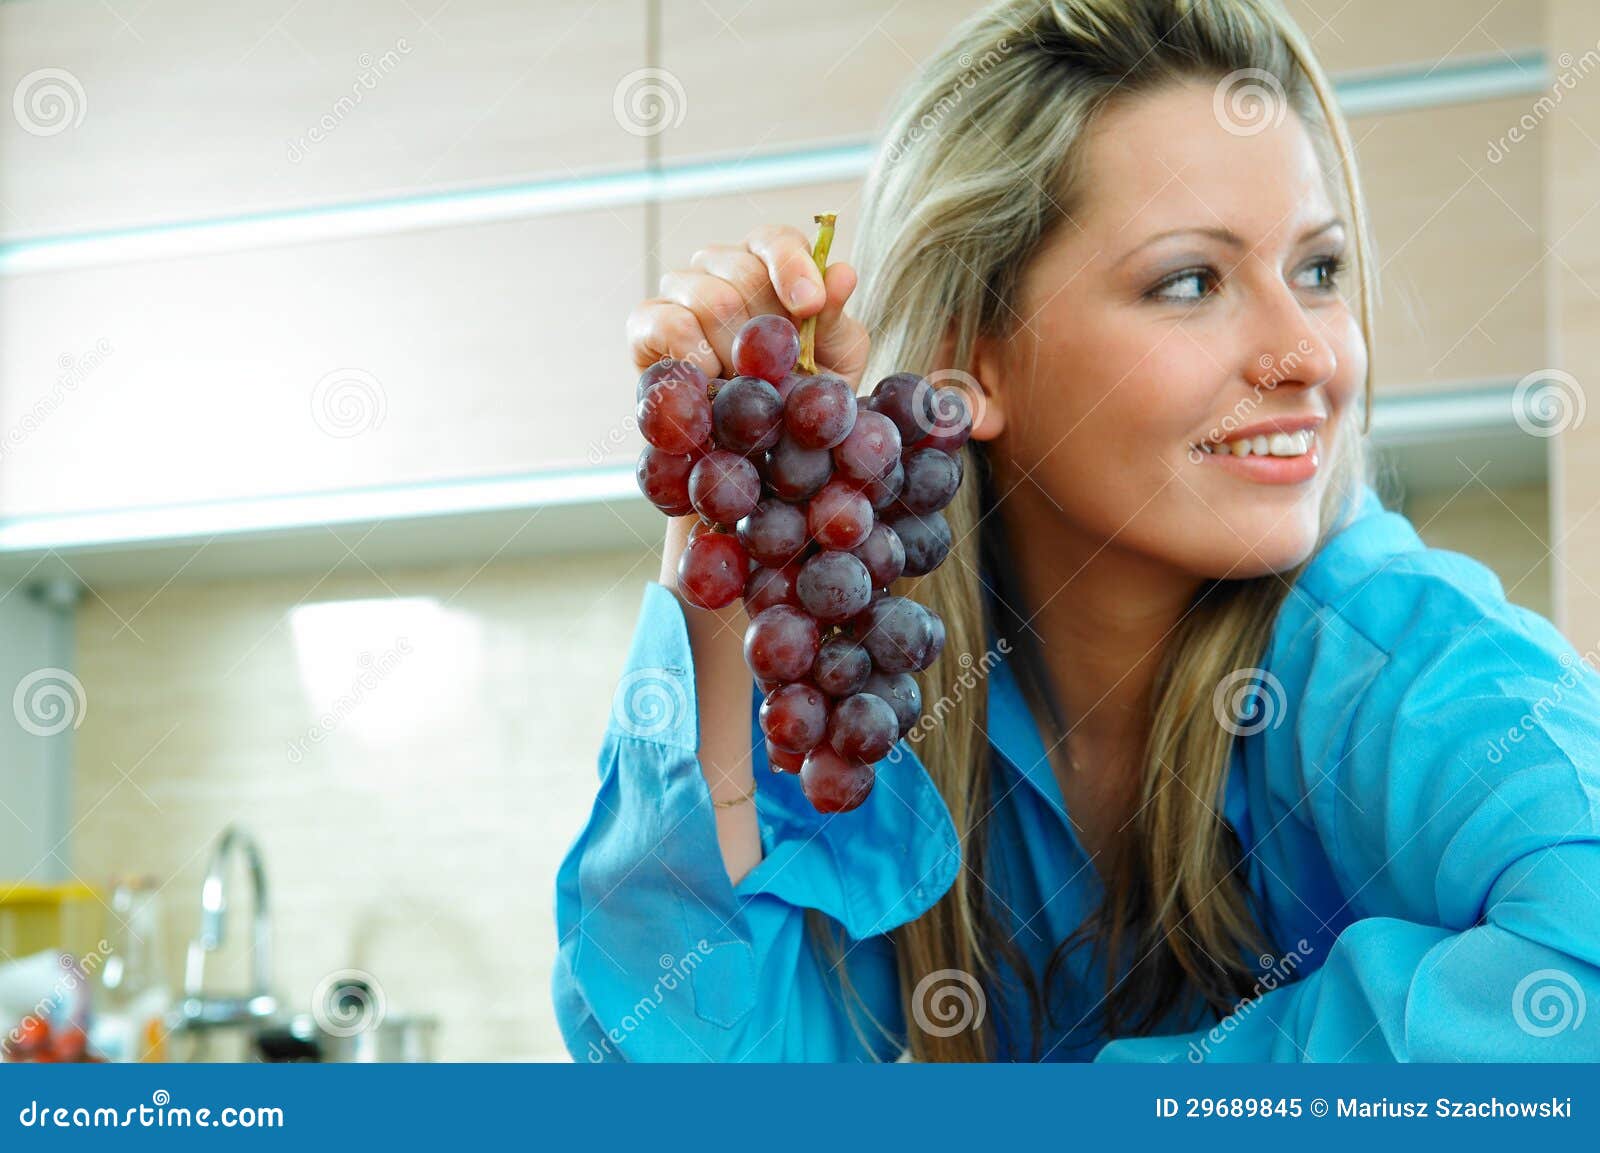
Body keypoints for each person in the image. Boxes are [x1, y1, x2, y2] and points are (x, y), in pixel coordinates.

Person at [552, 0, 1600, 1061]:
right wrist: (726, 527)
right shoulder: (906, 696)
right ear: (972, 365)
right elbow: (693, 1071)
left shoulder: (1402, 660)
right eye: (1190, 282)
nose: (1310, 353)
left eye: (1318, 272)